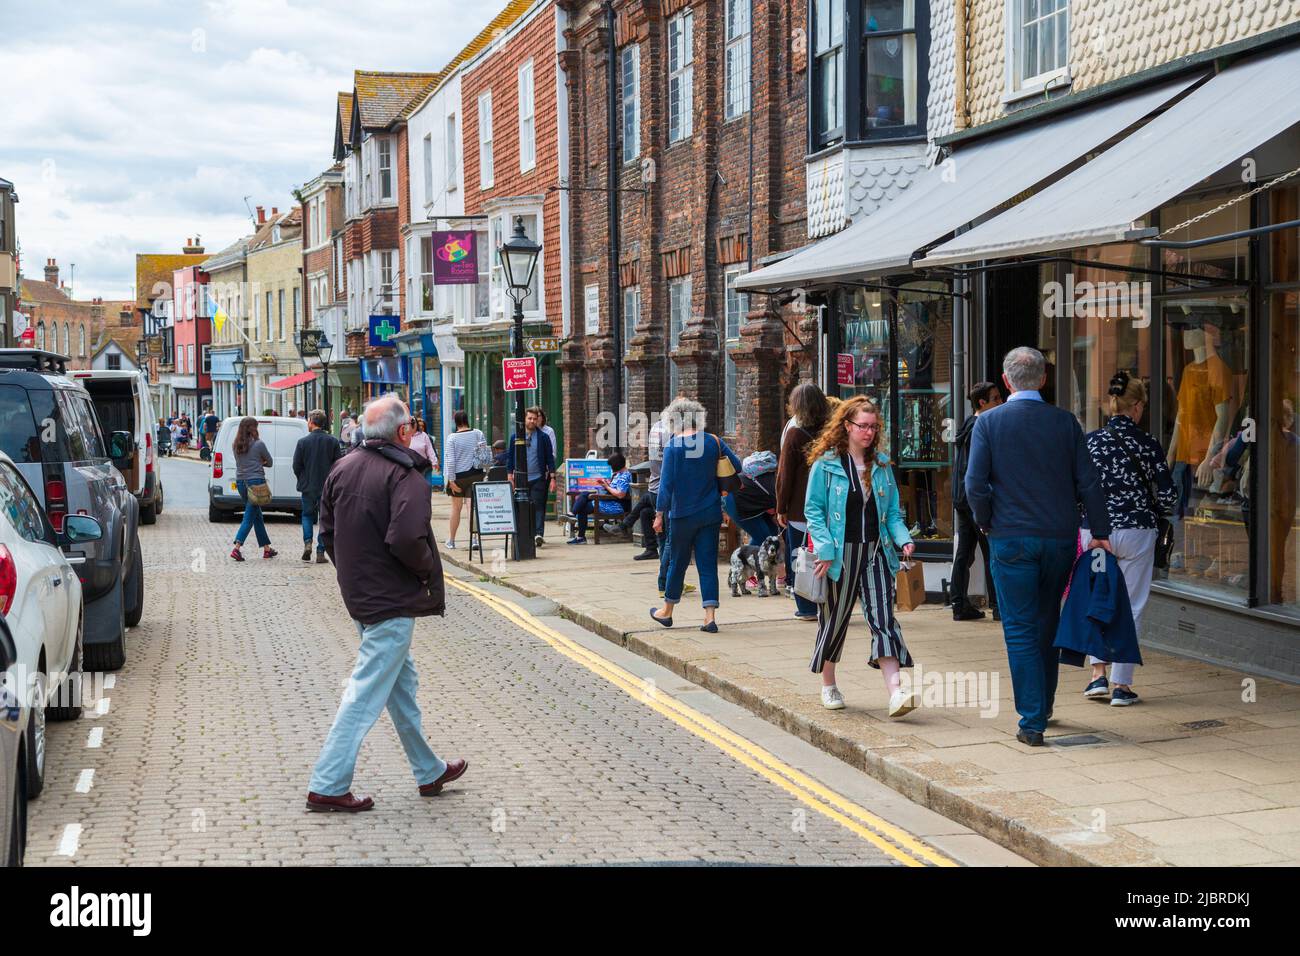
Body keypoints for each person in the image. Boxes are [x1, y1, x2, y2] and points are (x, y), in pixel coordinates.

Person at [306, 395, 467, 812]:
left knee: (401, 685)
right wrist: (422, 572)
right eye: (411, 423)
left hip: (360, 596)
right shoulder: (406, 475)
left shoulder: (343, 467)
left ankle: (428, 770)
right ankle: (327, 783)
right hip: (391, 600)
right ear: (402, 432)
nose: (413, 429)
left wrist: (352, 575)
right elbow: (406, 539)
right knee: (364, 692)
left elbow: (328, 531)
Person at [965, 347, 1111, 747]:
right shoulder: (1066, 422)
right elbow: (1090, 481)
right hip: (1059, 539)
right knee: (1049, 620)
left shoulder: (988, 422)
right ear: (1043, 379)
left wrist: (986, 520)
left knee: (1019, 628)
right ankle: (1043, 705)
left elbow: (974, 484)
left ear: (1006, 380)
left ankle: (1032, 720)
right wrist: (1100, 530)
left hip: (1010, 538)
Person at [804, 395, 918, 717]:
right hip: (839, 556)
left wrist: (903, 539)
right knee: (834, 621)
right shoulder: (825, 465)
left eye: (873, 427)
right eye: (862, 426)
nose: (868, 432)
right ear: (846, 426)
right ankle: (828, 685)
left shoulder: (880, 465)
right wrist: (824, 548)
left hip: (875, 553)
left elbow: (893, 512)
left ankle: (896, 693)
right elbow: (813, 510)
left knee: (883, 620)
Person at [1080, 371, 1177, 706]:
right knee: (1132, 606)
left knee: (1098, 600)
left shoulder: (1090, 442)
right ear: (1135, 406)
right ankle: (1122, 685)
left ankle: (1097, 677)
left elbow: (1076, 490)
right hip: (1137, 532)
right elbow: (1168, 498)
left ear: (1112, 404)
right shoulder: (1148, 444)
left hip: (1095, 533)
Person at [649, 398, 741, 633]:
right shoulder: (713, 441)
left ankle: (667, 612)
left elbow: (666, 486)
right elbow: (737, 466)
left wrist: (659, 515)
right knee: (707, 564)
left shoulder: (673, 446)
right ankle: (709, 617)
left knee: (677, 563)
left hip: (681, 515)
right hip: (710, 512)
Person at [951, 381, 1003, 621]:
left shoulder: (967, 425)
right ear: (982, 403)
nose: (1000, 402)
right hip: (973, 498)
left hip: (961, 497)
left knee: (964, 554)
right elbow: (979, 468)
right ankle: (998, 606)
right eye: (995, 398)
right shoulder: (981, 426)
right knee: (991, 552)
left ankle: (959, 605)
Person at [605, 414, 667, 560]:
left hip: (668, 497)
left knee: (646, 498)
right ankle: (651, 549)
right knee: (645, 512)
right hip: (659, 494)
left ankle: (624, 526)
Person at [293, 409, 343, 563]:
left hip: (308, 486)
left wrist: (303, 479)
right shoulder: (333, 442)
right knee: (324, 519)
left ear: (311, 422)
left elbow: (296, 465)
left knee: (307, 516)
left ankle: (308, 543)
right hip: (327, 487)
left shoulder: (303, 442)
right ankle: (320, 551)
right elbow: (338, 465)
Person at [229, 417, 277, 561]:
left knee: (257, 515)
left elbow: (241, 462)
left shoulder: (235, 445)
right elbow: (270, 462)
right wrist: (259, 462)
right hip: (256, 482)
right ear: (253, 428)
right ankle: (237, 547)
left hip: (240, 482)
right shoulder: (259, 444)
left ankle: (267, 549)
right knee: (249, 516)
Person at [442, 410, 487, 549]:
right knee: (471, 507)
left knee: (456, 508)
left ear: (455, 422)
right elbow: (484, 455)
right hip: (476, 474)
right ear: (467, 420)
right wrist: (485, 473)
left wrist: (451, 480)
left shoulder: (452, 438)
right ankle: (474, 540)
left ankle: (451, 541)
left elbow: (450, 461)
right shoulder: (478, 433)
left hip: (459, 477)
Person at [511, 406, 555, 548]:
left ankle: (538, 534)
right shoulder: (516, 437)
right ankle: (522, 533)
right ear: (524, 419)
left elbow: (550, 459)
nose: (532, 421)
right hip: (520, 478)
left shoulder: (544, 437)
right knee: (521, 506)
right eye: (529, 418)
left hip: (538, 478)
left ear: (538, 420)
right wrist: (509, 475)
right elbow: (510, 457)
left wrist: (553, 478)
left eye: (535, 419)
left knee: (538, 506)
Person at [569, 453, 631, 543]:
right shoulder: (619, 474)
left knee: (583, 504)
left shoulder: (625, 476)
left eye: (612, 466)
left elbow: (621, 494)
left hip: (616, 506)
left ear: (616, 465)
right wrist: (606, 485)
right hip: (610, 501)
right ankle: (573, 518)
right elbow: (615, 489)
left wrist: (607, 486)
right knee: (584, 495)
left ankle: (573, 518)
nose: (611, 468)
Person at [408, 416, 440, 484]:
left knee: (427, 486)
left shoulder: (424, 435)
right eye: (411, 424)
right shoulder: (406, 436)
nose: (413, 426)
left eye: (414, 424)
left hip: (424, 466)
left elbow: (430, 450)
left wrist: (434, 462)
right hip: (411, 467)